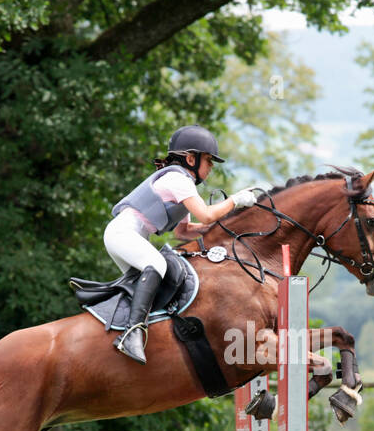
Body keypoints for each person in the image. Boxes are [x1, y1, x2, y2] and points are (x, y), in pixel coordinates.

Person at [106, 125, 263, 363]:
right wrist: (235, 200)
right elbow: (207, 215)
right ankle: (131, 334)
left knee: (151, 290)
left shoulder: (181, 182)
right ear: (191, 158)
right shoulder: (178, 179)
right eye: (209, 160)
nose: (211, 167)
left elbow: (184, 232)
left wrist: (228, 227)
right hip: (122, 234)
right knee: (158, 265)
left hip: (128, 236)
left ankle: (137, 332)